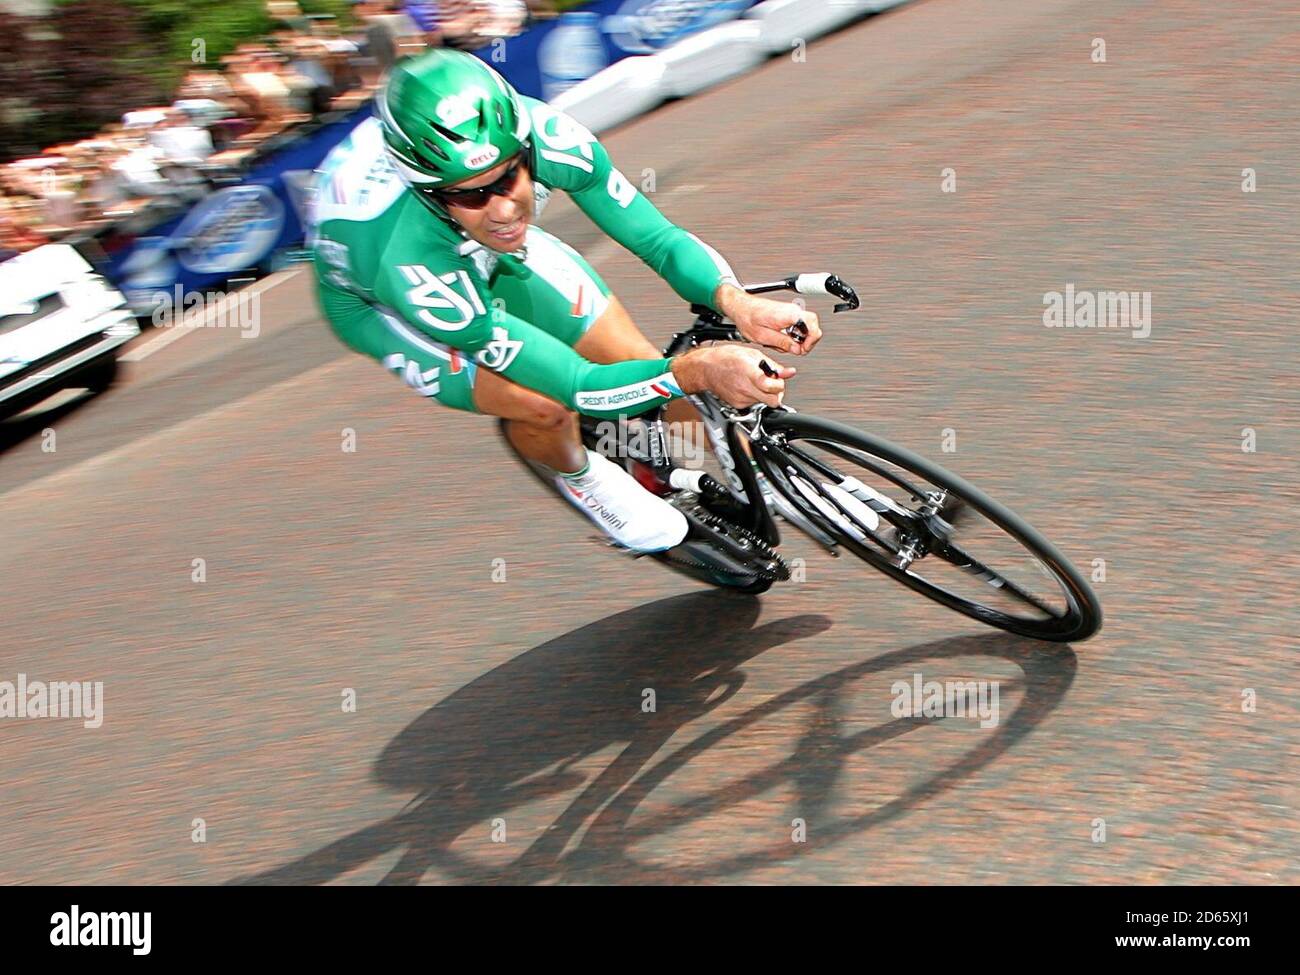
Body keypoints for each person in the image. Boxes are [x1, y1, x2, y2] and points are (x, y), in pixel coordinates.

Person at [311, 50, 821, 552]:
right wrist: (698, 369)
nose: (502, 208)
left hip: (477, 250)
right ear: (427, 192)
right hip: (385, 303)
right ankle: (583, 479)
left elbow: (658, 240)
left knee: (645, 368)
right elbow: (577, 384)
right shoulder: (407, 261)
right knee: (545, 404)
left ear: (524, 148)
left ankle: (677, 471)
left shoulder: (551, 137)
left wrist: (736, 302)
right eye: (470, 195)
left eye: (509, 177)